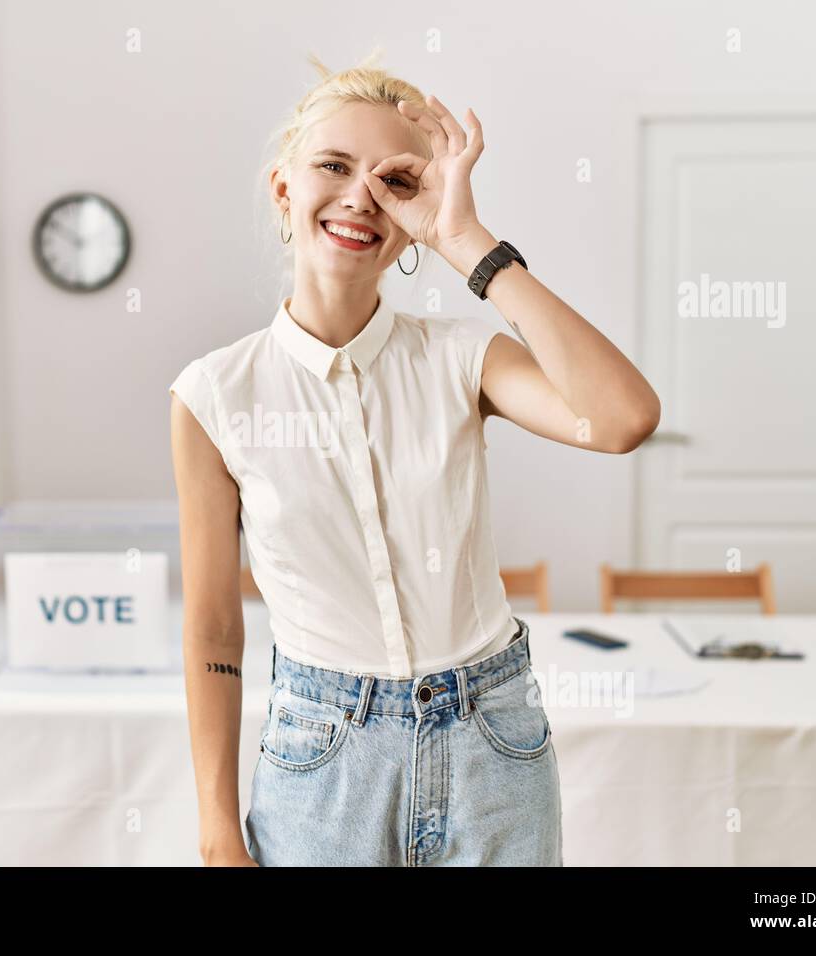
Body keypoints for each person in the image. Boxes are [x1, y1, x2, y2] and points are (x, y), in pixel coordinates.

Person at [168, 50, 660, 867]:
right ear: (285, 191)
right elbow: (214, 626)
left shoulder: (464, 359)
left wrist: (467, 243)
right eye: (333, 165)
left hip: (491, 746)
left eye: (394, 181)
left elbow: (622, 419)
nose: (361, 195)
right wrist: (219, 833)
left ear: (410, 215)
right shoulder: (213, 396)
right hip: (322, 766)